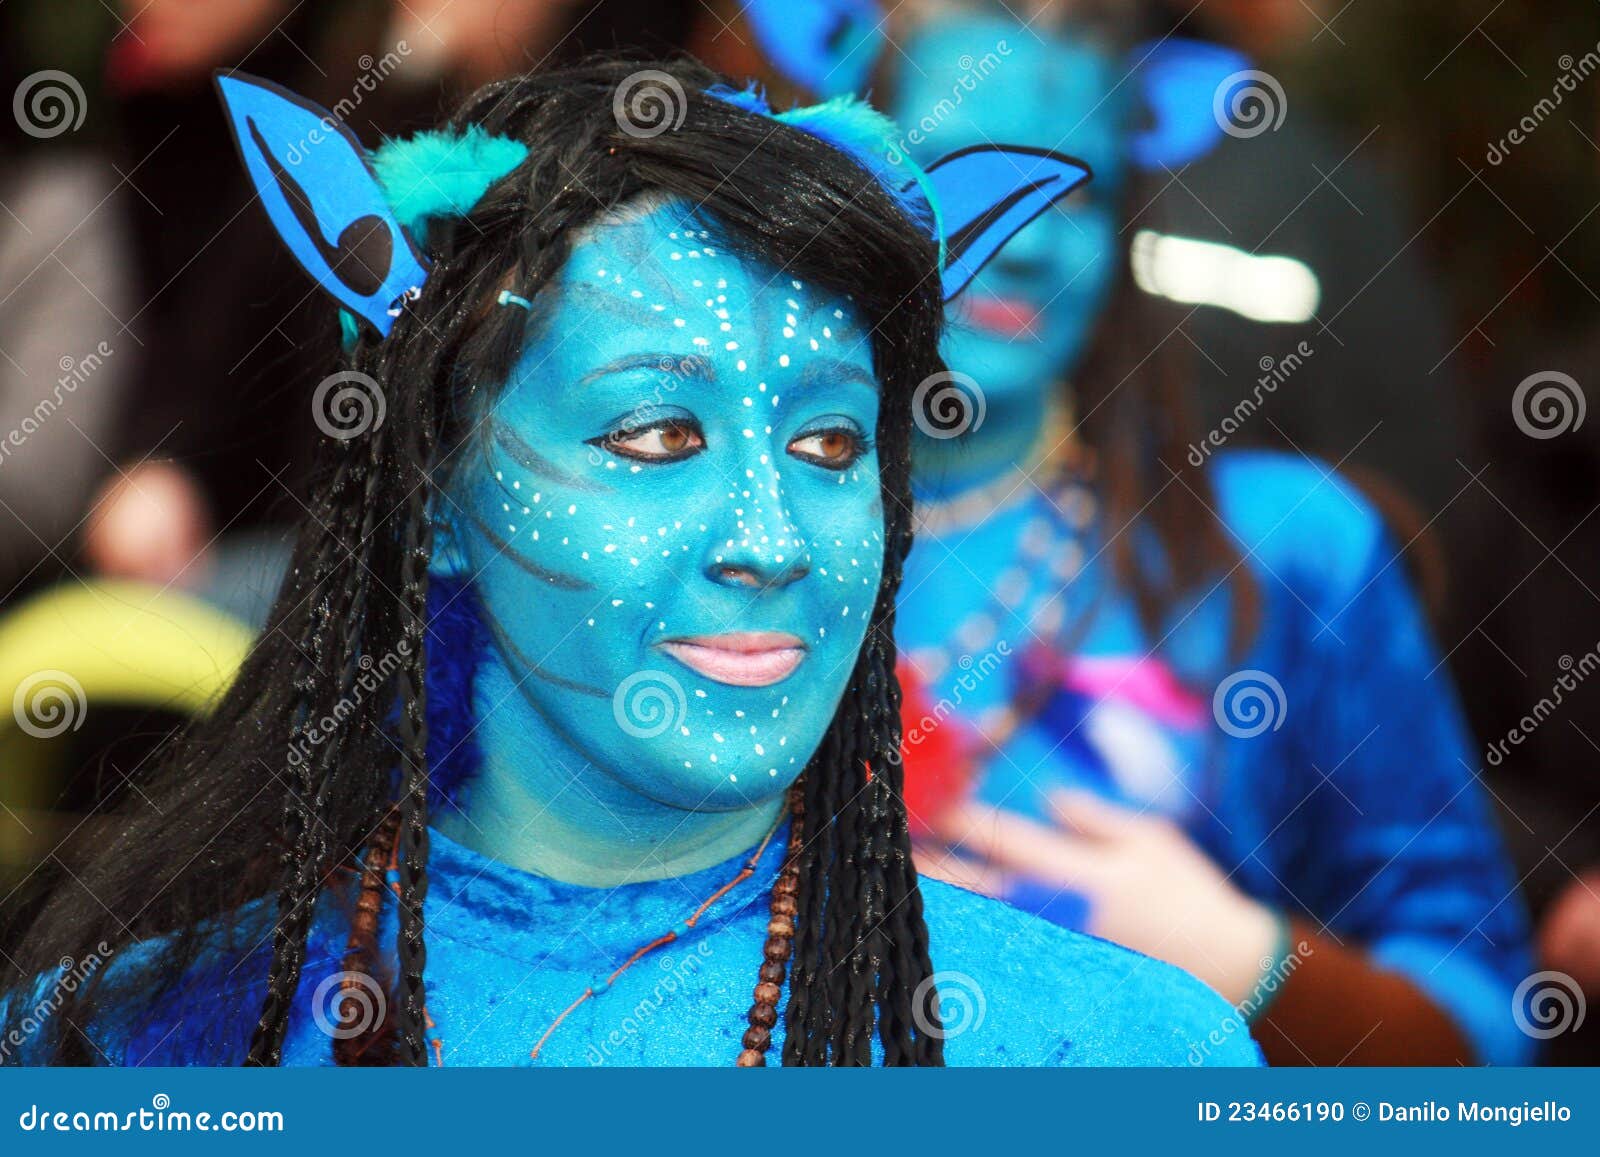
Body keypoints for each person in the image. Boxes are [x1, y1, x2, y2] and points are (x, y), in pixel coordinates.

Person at [0, 57, 1259, 1068]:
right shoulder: (128, 1049)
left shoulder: (1118, 1058)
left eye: (829, 440)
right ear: (435, 488)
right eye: (657, 434)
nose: (769, 539)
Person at [882, 5, 1533, 1066]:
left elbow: (1494, 1031)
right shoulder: (717, 542)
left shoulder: (1286, 546)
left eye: (1082, 191)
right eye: (964, 168)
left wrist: (1254, 964)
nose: (1033, 239)